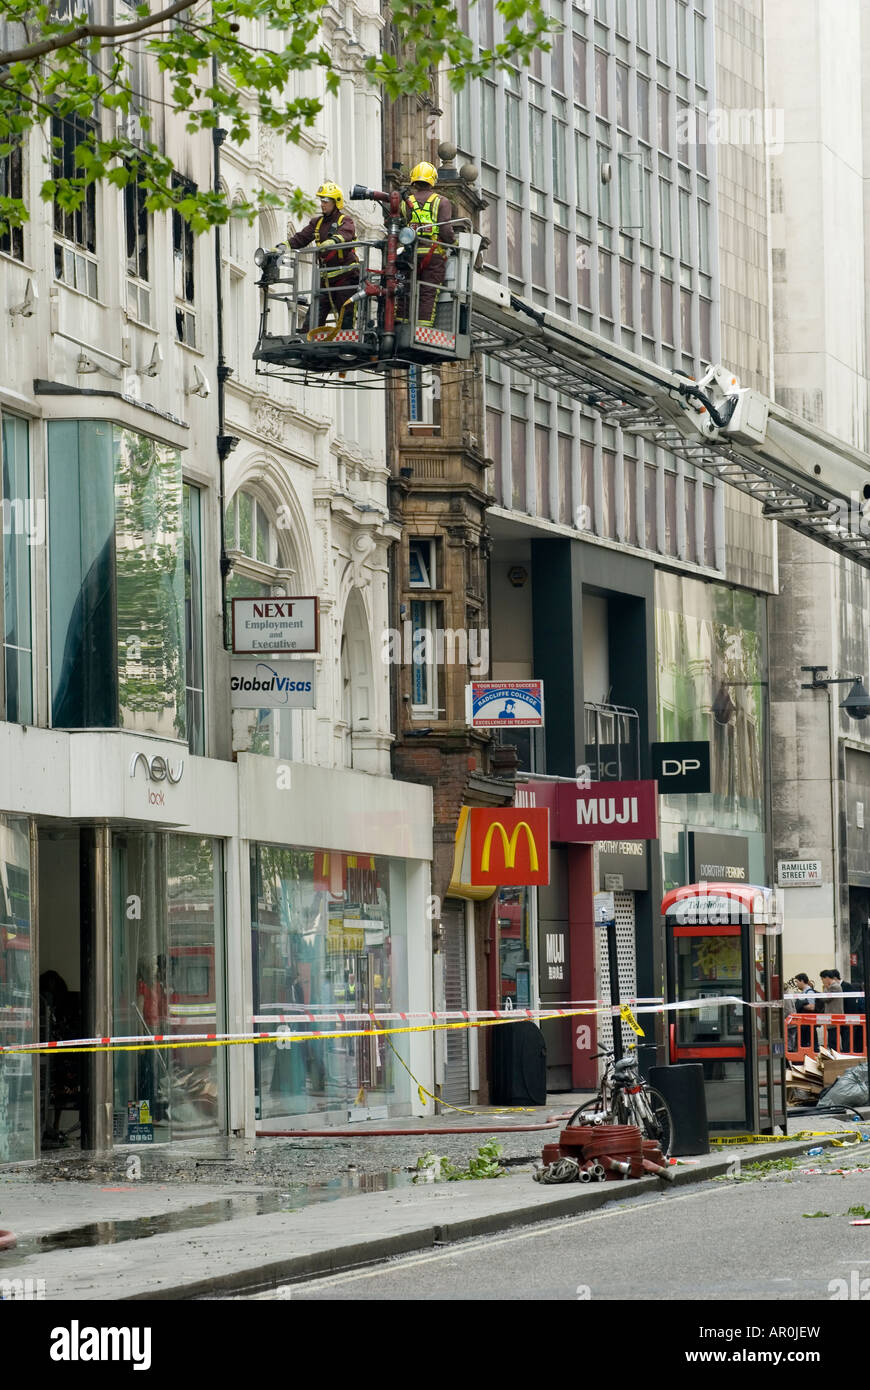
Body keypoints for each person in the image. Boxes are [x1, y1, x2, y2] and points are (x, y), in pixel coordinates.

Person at [284, 182, 359, 329]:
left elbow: (346, 233)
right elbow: (301, 238)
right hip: (325, 281)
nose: (322, 204)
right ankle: (307, 341)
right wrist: (282, 247)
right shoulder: (317, 223)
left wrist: (331, 242)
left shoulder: (344, 221)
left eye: (326, 201)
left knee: (346, 320)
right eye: (321, 201)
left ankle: (345, 346)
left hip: (346, 280)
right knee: (312, 321)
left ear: (336, 202)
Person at [400, 163, 455, 326]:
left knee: (405, 289)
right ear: (433, 180)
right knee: (428, 292)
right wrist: (454, 243)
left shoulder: (406, 202)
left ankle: (401, 322)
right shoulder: (442, 202)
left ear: (414, 181)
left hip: (410, 253)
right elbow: (445, 229)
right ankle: (423, 328)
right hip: (433, 253)